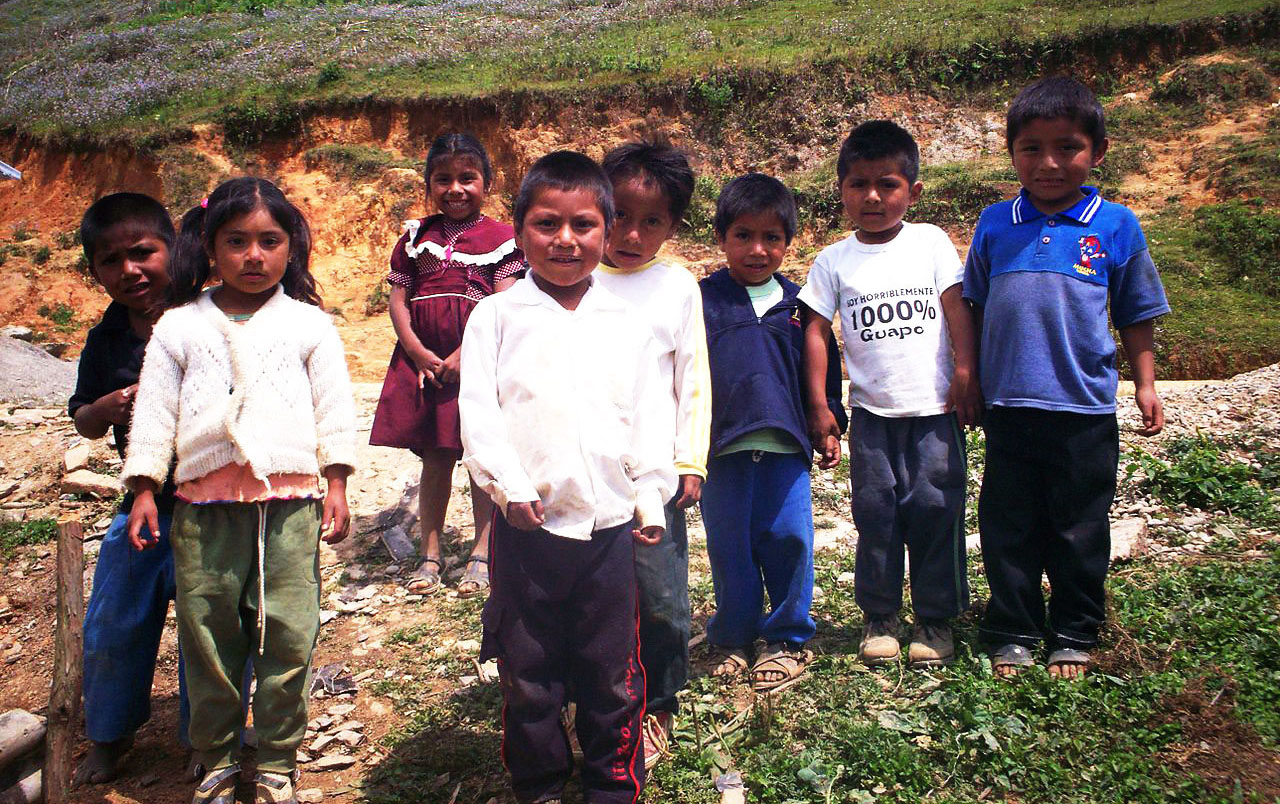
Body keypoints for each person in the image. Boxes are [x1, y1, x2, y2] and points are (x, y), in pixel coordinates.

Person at [122, 177, 357, 804]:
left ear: (291, 247)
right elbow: (154, 414)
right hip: (202, 509)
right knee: (207, 633)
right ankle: (218, 758)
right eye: (237, 242)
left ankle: (278, 757)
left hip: (291, 506)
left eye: (269, 241)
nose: (253, 256)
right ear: (208, 245)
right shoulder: (178, 327)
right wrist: (145, 485)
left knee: (288, 629)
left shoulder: (310, 325)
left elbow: (335, 409)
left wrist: (336, 480)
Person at [459, 151, 674, 804]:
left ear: (607, 234)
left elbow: (649, 418)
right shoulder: (495, 318)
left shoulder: (629, 323)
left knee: (613, 672)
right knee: (530, 673)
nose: (565, 240)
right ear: (520, 229)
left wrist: (648, 496)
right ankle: (541, 784)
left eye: (584, 225)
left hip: (609, 530)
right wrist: (510, 487)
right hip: (528, 534)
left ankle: (612, 785)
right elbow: (481, 415)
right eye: (547, 223)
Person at [963, 76, 1169, 679]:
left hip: (1084, 410)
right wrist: (969, 379)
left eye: (1067, 147)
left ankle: (1074, 631)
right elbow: (971, 307)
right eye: (1031, 148)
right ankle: (1013, 630)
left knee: (1079, 527)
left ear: (1097, 152)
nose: (1048, 163)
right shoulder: (996, 223)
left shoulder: (1116, 225)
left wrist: (1146, 383)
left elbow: (1134, 313)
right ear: (1012, 153)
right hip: (1009, 407)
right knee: (1007, 525)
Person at [800, 121, 980, 669]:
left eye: (887, 184)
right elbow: (814, 329)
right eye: (858, 184)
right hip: (872, 415)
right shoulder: (834, 260)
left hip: (934, 412)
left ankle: (935, 617)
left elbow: (956, 307)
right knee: (875, 513)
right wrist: (820, 403)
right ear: (840, 190)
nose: (872, 197)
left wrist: (967, 370)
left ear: (914, 191)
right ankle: (879, 616)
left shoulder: (929, 243)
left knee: (936, 507)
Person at [698, 173, 845, 693]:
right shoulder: (702, 302)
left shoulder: (801, 306)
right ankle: (734, 634)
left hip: (784, 447)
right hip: (722, 451)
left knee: (788, 539)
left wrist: (828, 418)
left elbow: (823, 371)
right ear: (721, 237)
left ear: (788, 241)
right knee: (729, 545)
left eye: (772, 238)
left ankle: (785, 637)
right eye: (743, 235)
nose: (757, 249)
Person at [592, 140, 710, 767]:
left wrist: (691, 458)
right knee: (593, 595)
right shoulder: (569, 278)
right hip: (583, 476)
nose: (631, 234)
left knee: (660, 596)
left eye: (653, 221)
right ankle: (594, 697)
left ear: (673, 225)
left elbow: (693, 376)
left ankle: (660, 700)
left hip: (654, 474)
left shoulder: (676, 286)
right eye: (618, 215)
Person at [369, 133, 524, 597]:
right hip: (424, 364)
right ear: (428, 185)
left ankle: (482, 551)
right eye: (443, 180)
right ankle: (430, 554)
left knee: (480, 459)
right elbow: (399, 300)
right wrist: (417, 352)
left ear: (487, 183)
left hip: (476, 364)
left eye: (467, 178)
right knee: (436, 457)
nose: (455, 189)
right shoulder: (416, 238)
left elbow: (504, 305)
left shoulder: (502, 239)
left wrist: (465, 356)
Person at [68, 192, 187, 785]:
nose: (129, 270)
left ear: (175, 249)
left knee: (208, 625)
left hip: (212, 506)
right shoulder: (106, 340)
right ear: (95, 271)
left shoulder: (204, 317)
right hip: (140, 506)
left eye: (143, 252)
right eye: (111, 261)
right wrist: (107, 409)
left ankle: (208, 737)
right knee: (113, 621)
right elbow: (81, 419)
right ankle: (109, 736)